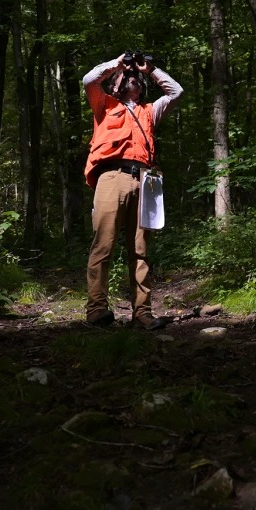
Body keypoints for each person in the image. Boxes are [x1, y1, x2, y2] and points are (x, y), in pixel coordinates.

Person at [81, 51, 182, 328]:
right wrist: (118, 64)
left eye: (135, 77)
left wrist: (149, 69)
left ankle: (142, 312)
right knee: (103, 244)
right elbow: (89, 79)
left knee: (140, 250)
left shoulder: (150, 111)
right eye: (126, 77)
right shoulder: (104, 104)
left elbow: (176, 91)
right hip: (111, 177)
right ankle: (97, 309)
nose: (131, 78)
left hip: (146, 182)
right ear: (115, 84)